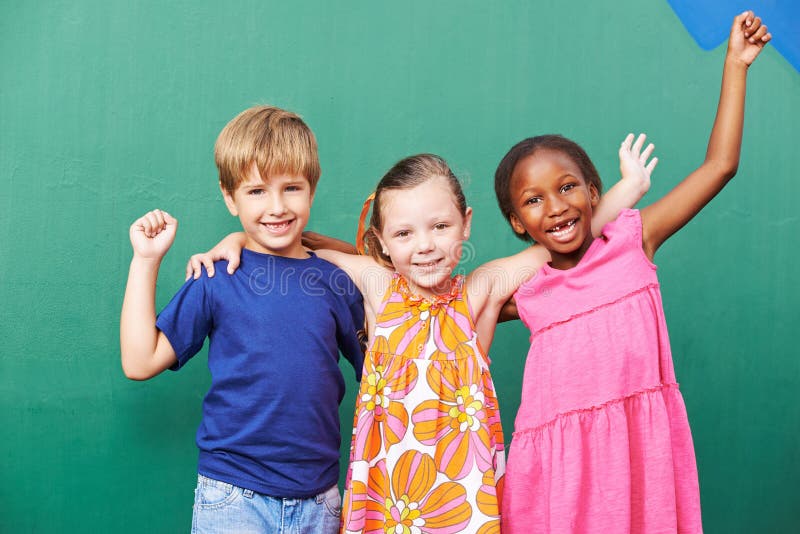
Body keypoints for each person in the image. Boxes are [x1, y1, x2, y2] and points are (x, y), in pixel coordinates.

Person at [188, 136, 656, 532]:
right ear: (382, 244)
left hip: (465, 504)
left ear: (466, 224)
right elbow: (288, 244)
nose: (426, 245)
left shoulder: (479, 292)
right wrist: (233, 243)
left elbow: (563, 239)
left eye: (441, 226)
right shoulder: (378, 286)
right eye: (405, 233)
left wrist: (629, 187)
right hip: (387, 500)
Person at [492, 11, 771, 533]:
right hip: (559, 476)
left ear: (595, 192)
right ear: (516, 221)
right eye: (534, 199)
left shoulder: (633, 240)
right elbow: (445, 305)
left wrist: (735, 65)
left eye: (568, 187)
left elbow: (720, 166)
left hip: (638, 461)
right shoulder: (528, 291)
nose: (555, 206)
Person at [120, 105, 366, 534]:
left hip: (321, 500)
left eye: (292, 187)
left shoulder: (336, 280)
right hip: (233, 498)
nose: (276, 206)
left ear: (312, 188)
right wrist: (145, 260)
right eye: (255, 191)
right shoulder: (217, 276)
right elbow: (140, 361)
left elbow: (383, 374)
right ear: (229, 197)